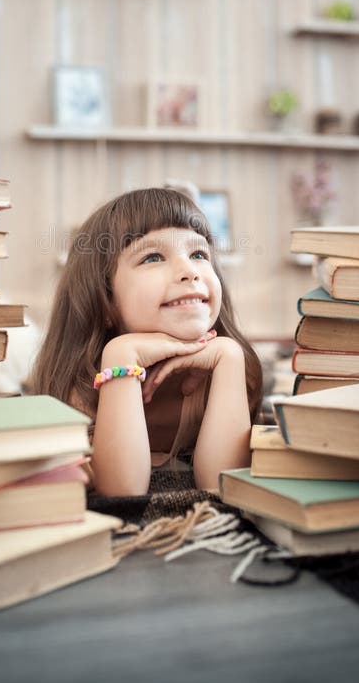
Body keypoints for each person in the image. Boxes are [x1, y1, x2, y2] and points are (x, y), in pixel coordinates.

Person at [33, 187, 262, 496]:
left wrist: (230, 357)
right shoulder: (81, 382)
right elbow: (122, 492)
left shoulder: (230, 367)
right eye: (153, 257)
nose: (189, 271)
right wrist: (120, 354)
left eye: (198, 254)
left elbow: (221, 489)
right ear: (105, 302)